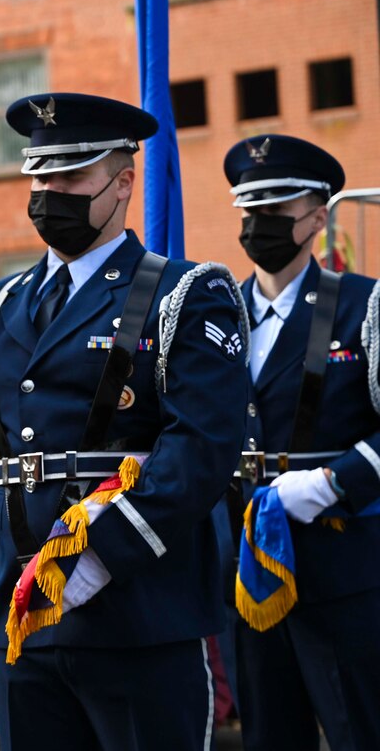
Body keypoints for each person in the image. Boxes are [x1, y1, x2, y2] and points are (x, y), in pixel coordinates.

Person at [0, 93, 249, 750]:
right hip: (24, 618)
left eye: (72, 176)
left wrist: (102, 556)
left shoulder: (186, 294)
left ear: (123, 183)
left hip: (138, 611)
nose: (51, 192)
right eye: (41, 177)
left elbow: (203, 448)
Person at [224, 134, 380, 750]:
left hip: (342, 566)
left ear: (317, 216)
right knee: (268, 735)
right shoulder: (220, 313)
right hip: (247, 568)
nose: (259, 224)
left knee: (359, 729)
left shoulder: (364, 306)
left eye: (276, 210)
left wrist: (336, 480)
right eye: (249, 210)